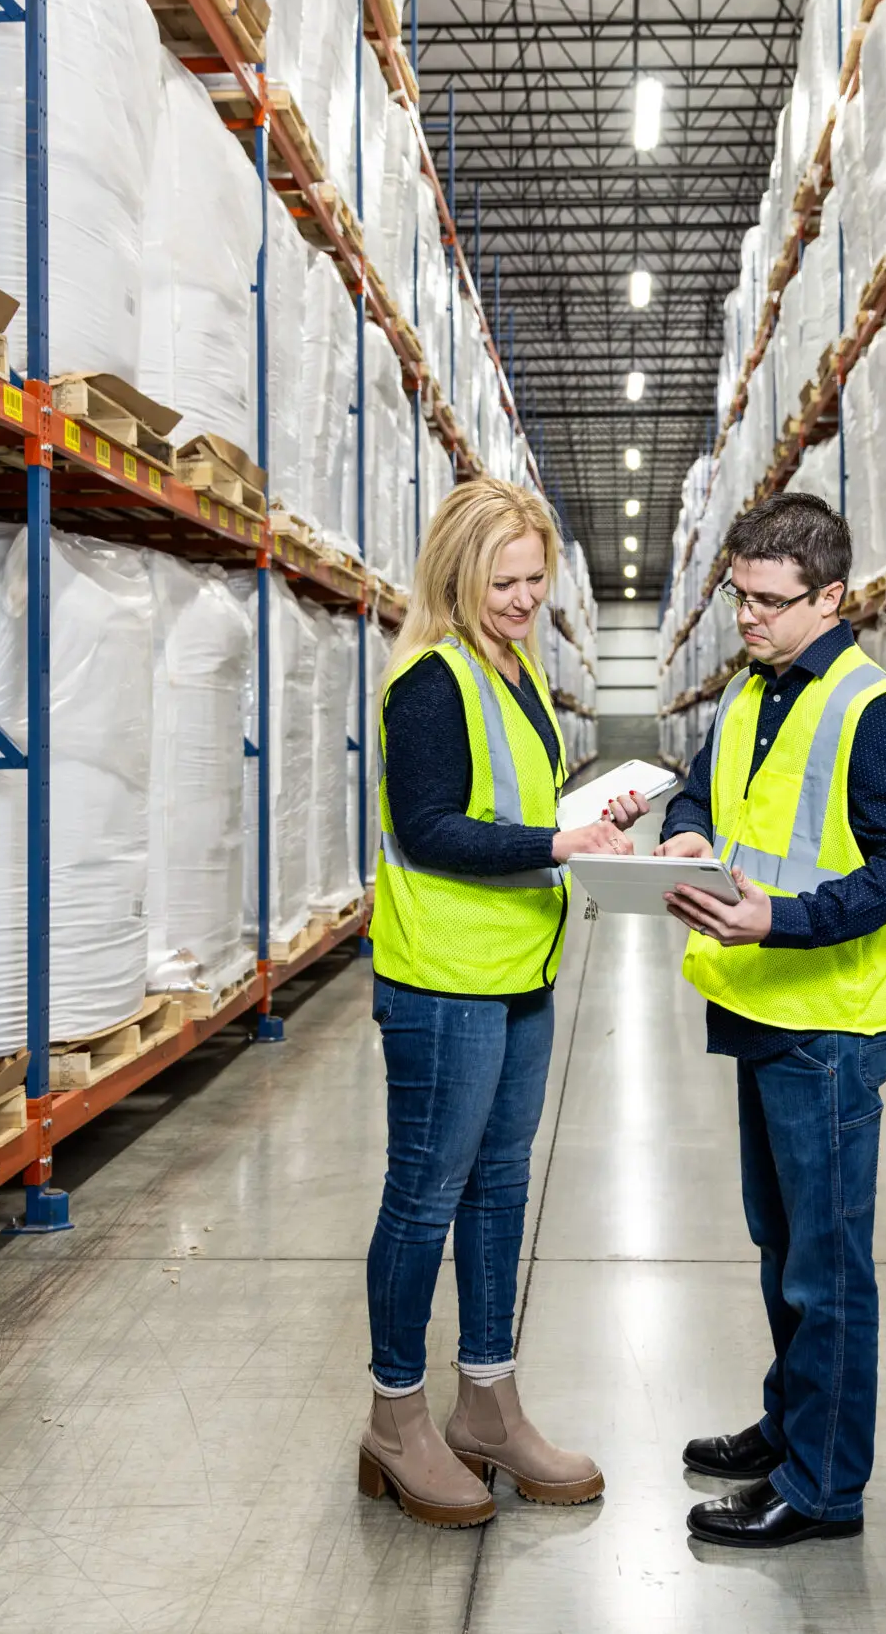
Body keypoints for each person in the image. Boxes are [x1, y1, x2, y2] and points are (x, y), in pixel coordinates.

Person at [359, 478, 649, 1528]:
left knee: (499, 1191)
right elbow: (431, 826)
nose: (525, 599)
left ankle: (487, 1403)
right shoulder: (431, 681)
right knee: (424, 1195)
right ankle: (395, 1419)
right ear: (457, 576)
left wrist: (589, 817)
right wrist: (556, 841)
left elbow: (516, 807)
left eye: (535, 579)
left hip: (521, 972)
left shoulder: (517, 672)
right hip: (444, 983)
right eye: (505, 582)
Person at [653, 491, 886, 1549]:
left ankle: (823, 1487)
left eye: (770, 601)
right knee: (781, 1247)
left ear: (831, 596)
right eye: (740, 596)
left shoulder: (872, 713)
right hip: (758, 1004)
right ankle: (790, 1427)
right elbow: (700, 792)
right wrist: (688, 836)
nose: (747, 617)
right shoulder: (750, 690)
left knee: (827, 1265)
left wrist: (781, 918)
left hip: (828, 1024)